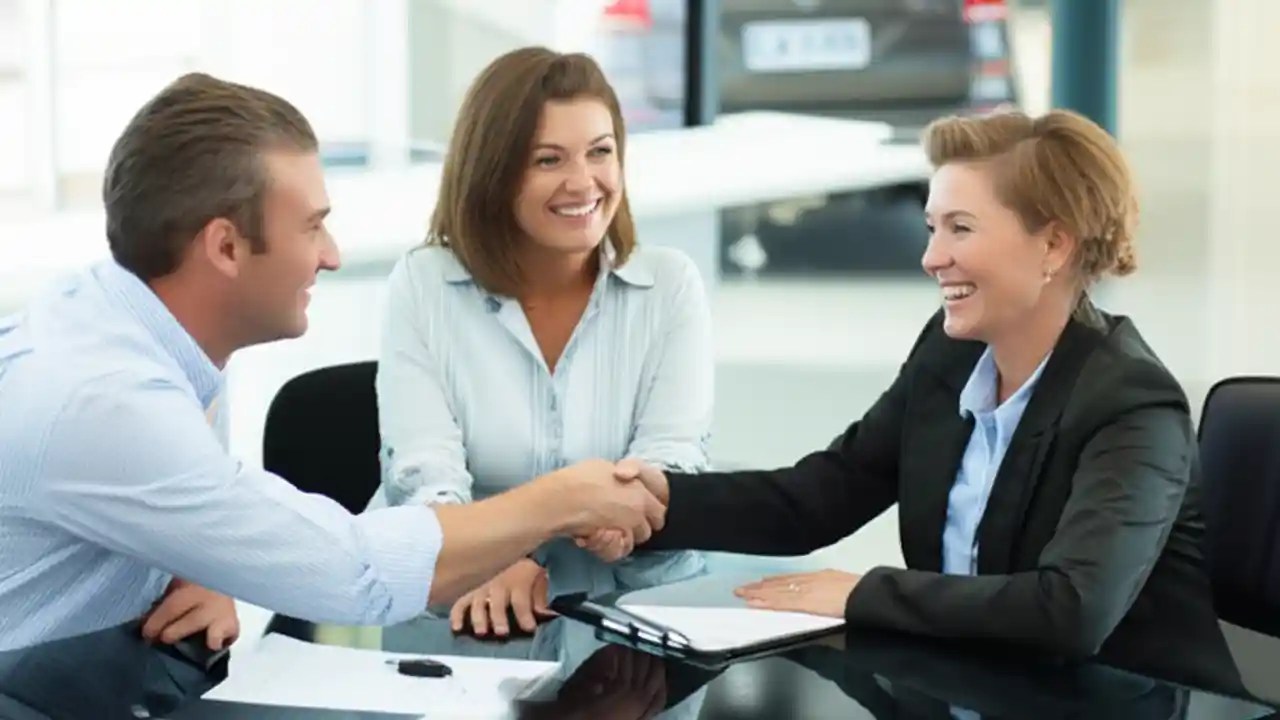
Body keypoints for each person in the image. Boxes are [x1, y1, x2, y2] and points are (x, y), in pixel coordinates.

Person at [0, 72, 667, 652]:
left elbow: (169, 495)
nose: (332, 255)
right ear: (226, 248)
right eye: (312, 225)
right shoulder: (108, 400)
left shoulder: (137, 315)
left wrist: (194, 559)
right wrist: (562, 499)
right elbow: (357, 574)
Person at [591, 109, 1227, 665]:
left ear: (1053, 244)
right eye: (931, 227)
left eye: (961, 228)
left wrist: (863, 591)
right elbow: (819, 496)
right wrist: (655, 504)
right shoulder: (950, 355)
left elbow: (1071, 608)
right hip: (970, 682)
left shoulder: (1133, 406)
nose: (932, 257)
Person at [375, 47, 712, 650]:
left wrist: (629, 522)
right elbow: (423, 470)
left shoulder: (670, 286)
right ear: (493, 172)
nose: (583, 183)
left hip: (633, 616)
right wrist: (489, 555)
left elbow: (674, 457)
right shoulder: (424, 284)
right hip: (465, 615)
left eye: (600, 152)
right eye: (548, 159)